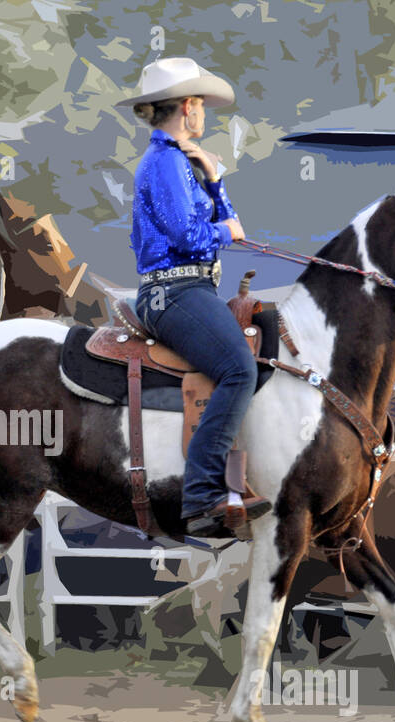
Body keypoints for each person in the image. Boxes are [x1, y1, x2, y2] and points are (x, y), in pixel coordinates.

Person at [121, 57, 271, 538]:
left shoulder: (180, 161)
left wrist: (216, 182)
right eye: (201, 106)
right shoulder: (163, 161)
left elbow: (231, 227)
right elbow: (189, 234)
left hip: (192, 287)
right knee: (238, 368)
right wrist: (224, 228)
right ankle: (204, 495)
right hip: (173, 290)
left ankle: (235, 482)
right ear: (187, 107)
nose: (204, 115)